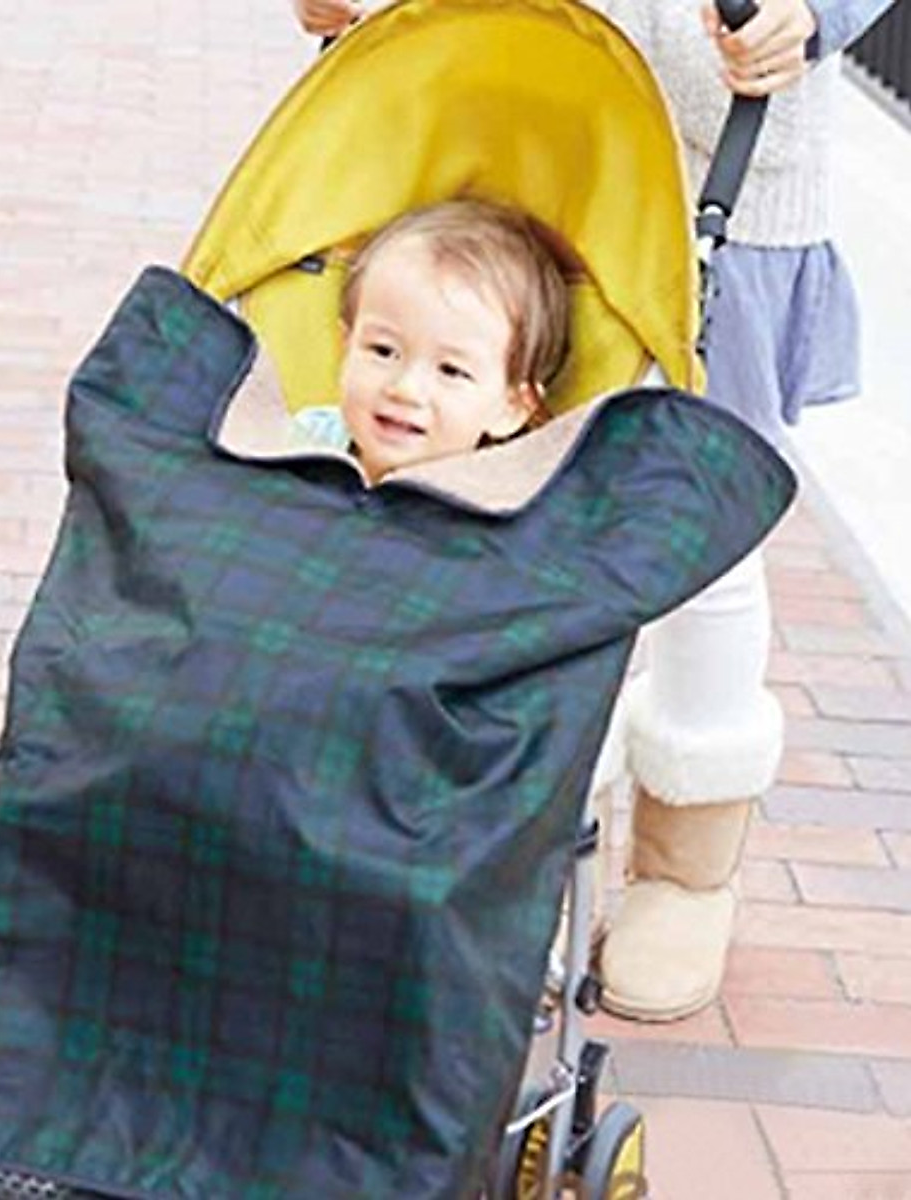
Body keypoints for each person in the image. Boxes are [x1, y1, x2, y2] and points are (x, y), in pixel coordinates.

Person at [291, 0, 894, 1023]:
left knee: (701, 535)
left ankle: (686, 868)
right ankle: (513, 844)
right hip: (519, 128)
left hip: (721, 153)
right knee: (493, 499)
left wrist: (815, 11)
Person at [294, 197, 570, 476]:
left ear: (510, 408)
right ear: (346, 346)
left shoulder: (490, 498)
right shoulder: (300, 444)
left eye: (451, 370)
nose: (405, 389)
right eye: (383, 351)